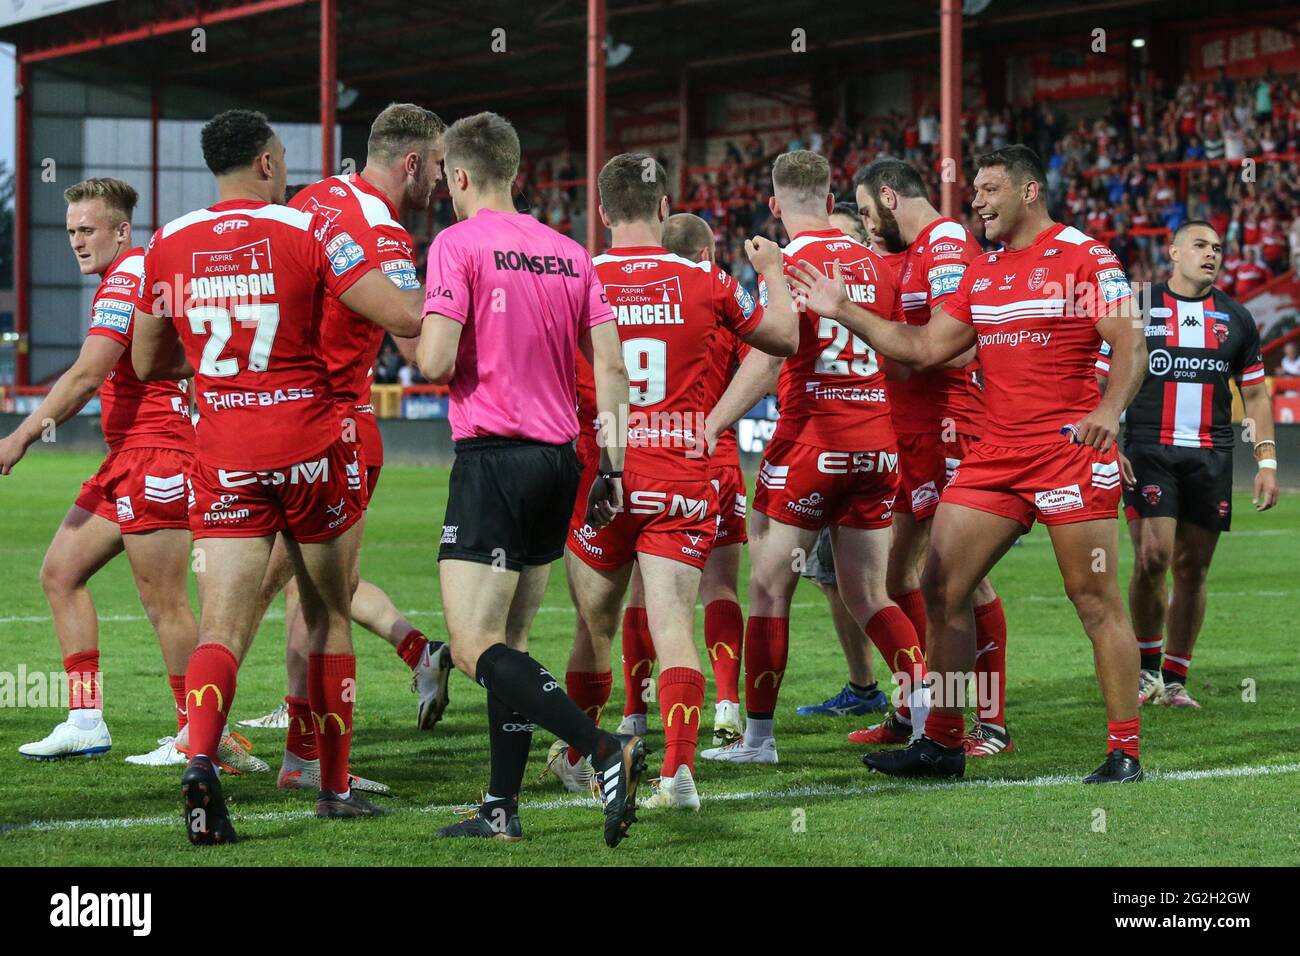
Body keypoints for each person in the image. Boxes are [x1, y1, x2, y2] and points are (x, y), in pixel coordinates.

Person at [788, 145, 1149, 784]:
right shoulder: (986, 273)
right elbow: (924, 348)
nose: (975, 201)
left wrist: (1110, 412)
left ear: (1029, 192)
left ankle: (1124, 752)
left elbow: (1130, 341)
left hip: (1069, 449)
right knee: (940, 586)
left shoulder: (1085, 256)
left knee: (1092, 599)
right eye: (975, 190)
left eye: (987, 190)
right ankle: (945, 743)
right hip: (995, 454)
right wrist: (841, 308)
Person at [131, 108, 425, 844]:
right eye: (285, 158)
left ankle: (200, 759)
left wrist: (206, 368)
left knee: (224, 626)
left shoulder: (167, 243)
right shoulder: (307, 229)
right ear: (266, 162)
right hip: (311, 446)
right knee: (327, 611)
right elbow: (400, 315)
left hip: (225, 453)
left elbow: (145, 363)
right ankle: (331, 786)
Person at [416, 112, 646, 847]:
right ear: (513, 170)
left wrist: (406, 325)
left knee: (473, 645)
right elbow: (610, 368)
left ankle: (602, 747)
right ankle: (500, 808)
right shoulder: (570, 252)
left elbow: (434, 362)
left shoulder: (456, 245)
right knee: (510, 642)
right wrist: (611, 467)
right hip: (561, 462)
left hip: (493, 461)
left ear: (457, 175)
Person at [560, 160, 796, 810]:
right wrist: (773, 272)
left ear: (602, 212)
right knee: (673, 625)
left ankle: (580, 754)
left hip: (602, 475)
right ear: (663, 205)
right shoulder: (706, 278)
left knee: (594, 627)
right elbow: (782, 340)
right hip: (682, 474)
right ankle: (679, 774)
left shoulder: (577, 277)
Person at [235, 104, 454, 793]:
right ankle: (223, 739)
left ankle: (277, 746)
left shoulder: (316, 196)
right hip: (336, 427)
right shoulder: (385, 233)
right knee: (307, 597)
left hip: (264, 412)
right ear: (413, 162)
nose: (444, 182)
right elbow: (423, 348)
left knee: (297, 593)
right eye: (440, 166)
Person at [700, 149, 927, 767]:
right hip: (878, 445)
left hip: (812, 444)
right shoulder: (878, 265)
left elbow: (773, 355)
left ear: (774, 205)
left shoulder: (787, 266)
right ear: (833, 202)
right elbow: (906, 351)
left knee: (770, 590)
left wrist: (713, 424)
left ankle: (759, 741)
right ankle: (929, 720)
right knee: (870, 594)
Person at [2, 178, 200, 768]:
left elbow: (87, 375)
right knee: (61, 574)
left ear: (121, 230)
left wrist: (21, 434)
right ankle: (86, 719)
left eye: (87, 229)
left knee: (163, 601)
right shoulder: (128, 277)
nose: (76, 241)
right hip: (127, 459)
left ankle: (197, 733)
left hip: (159, 455)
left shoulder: (131, 274)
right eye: (70, 231)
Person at [845, 158, 1012, 757]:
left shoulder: (944, 244)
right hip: (905, 430)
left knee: (965, 581)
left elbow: (954, 350)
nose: (866, 227)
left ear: (890, 198)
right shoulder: (906, 253)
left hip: (950, 427)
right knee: (897, 578)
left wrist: (883, 339)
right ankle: (916, 707)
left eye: (867, 212)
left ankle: (987, 724)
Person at [1100, 221, 1279, 709]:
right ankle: (1146, 670)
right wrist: (1108, 437)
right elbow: (1101, 375)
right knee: (1152, 557)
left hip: (1211, 453)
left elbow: (1258, 394)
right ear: (1174, 251)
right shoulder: (1138, 305)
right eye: (1201, 245)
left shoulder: (1236, 318)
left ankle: (1175, 678)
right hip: (1147, 448)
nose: (1212, 254)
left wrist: (1266, 461)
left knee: (1193, 568)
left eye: (1218, 248)